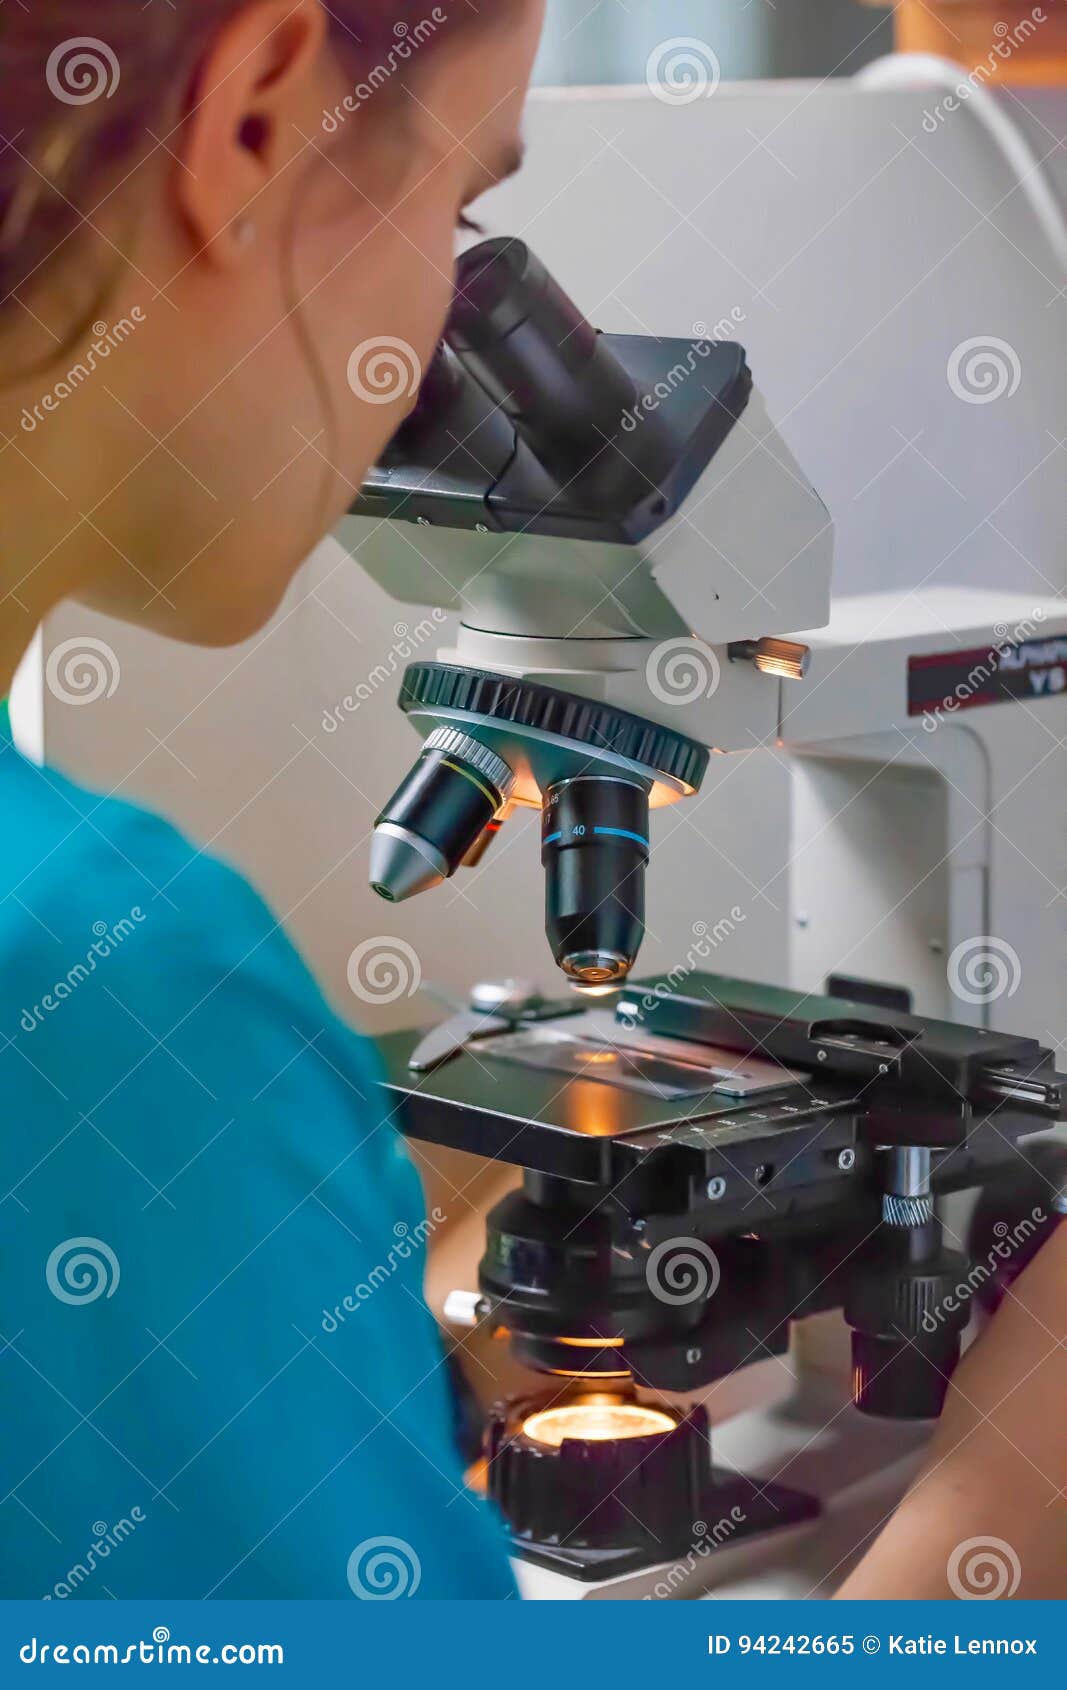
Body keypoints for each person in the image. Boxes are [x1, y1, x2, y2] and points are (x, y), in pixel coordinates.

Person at [0, 0, 542, 1600]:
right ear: (249, 116)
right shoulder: (104, 987)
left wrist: (309, 1333)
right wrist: (998, 1499)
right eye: (458, 205)